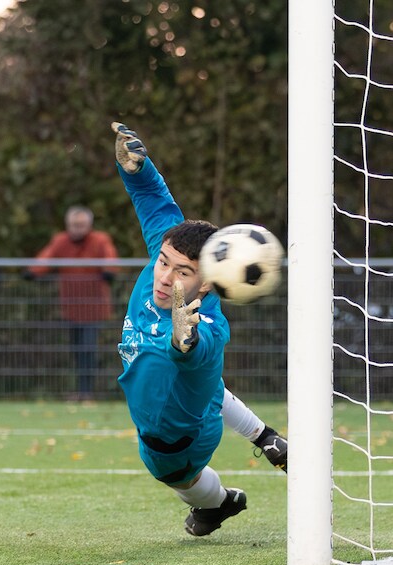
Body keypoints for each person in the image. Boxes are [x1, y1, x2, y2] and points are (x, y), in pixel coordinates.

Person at [110, 122, 288, 537]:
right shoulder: (169, 249)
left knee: (178, 478)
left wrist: (182, 341)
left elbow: (198, 346)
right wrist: (137, 170)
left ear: (206, 284)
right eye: (163, 262)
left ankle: (220, 504)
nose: (165, 275)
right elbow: (154, 202)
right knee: (203, 387)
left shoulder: (208, 325)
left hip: (179, 439)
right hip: (195, 398)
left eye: (183, 272)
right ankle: (266, 436)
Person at [25, 206, 120, 401]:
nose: (77, 229)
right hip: (71, 308)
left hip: (94, 308)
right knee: (76, 351)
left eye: (81, 225)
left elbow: (110, 258)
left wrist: (109, 271)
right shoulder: (61, 241)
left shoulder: (100, 240)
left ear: (89, 225)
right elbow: (47, 257)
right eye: (74, 225)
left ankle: (87, 392)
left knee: (88, 349)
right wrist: (32, 271)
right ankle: (80, 391)